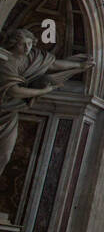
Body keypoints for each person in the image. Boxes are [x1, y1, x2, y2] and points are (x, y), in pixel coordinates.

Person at [0, 28, 92, 175]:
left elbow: (54, 65)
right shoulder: (6, 63)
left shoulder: (33, 56)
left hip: (9, 113)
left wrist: (79, 66)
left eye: (29, 44)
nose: (27, 48)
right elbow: (14, 91)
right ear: (12, 44)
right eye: (22, 44)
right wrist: (42, 92)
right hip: (3, 107)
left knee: (4, 154)